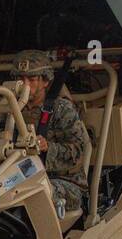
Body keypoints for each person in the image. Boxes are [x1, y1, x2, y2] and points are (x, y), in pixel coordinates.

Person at [13, 49, 91, 217]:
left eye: (32, 79)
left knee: (32, 192)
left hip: (64, 183)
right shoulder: (10, 110)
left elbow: (77, 151)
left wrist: (47, 147)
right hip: (19, 177)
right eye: (21, 79)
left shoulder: (61, 109)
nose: (25, 85)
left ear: (45, 81)